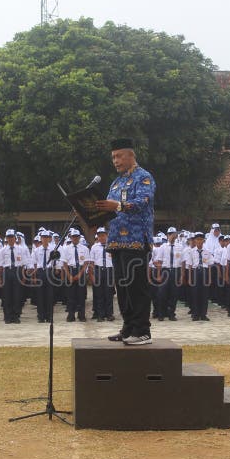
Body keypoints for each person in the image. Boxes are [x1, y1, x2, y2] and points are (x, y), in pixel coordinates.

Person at [95, 138, 156, 346]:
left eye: (119, 156)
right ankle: (128, 326)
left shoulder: (143, 177)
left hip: (136, 240)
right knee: (122, 287)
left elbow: (142, 202)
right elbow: (107, 209)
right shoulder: (116, 182)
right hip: (116, 242)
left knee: (136, 286)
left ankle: (142, 331)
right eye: (113, 157)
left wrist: (118, 206)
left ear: (131, 155)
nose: (115, 160)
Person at [89, 227, 115, 322]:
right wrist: (91, 275)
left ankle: (109, 314)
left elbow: (115, 261)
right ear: (98, 237)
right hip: (98, 271)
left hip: (109, 271)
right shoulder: (94, 247)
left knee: (109, 293)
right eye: (99, 236)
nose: (101, 237)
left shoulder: (112, 246)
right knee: (99, 294)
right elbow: (91, 262)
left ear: (107, 236)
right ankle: (100, 315)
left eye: (103, 235)